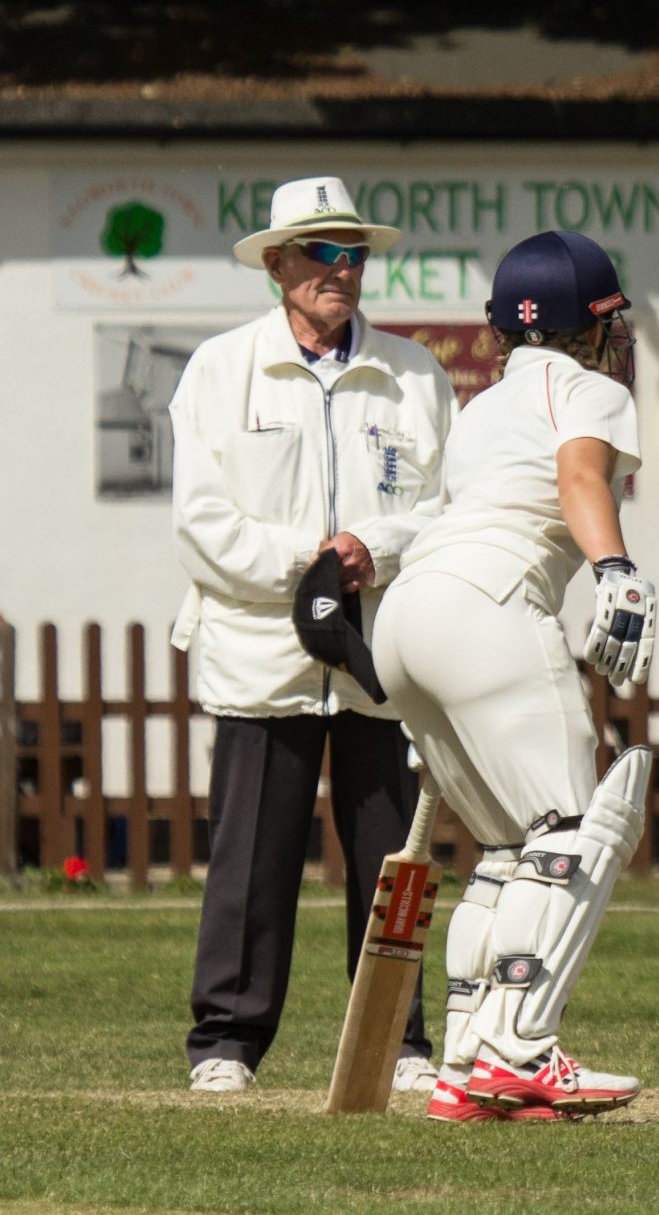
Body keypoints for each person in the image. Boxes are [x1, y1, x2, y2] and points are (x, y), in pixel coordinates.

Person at [170, 176, 456, 1094]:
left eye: (355, 253)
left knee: (391, 858)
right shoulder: (219, 369)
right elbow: (202, 524)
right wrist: (313, 560)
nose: (343, 269)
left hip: (383, 654)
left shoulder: (415, 373)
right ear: (280, 265)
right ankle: (226, 1042)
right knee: (252, 857)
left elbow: (447, 507)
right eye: (324, 254)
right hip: (261, 653)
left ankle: (402, 1040)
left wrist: (373, 546)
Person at [371, 230, 658, 1124]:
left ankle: (466, 1061)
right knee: (580, 826)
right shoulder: (590, 387)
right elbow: (580, 476)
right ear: (600, 325)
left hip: (409, 614)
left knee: (504, 848)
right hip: (490, 605)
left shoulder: (484, 405)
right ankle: (521, 1048)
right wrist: (614, 568)